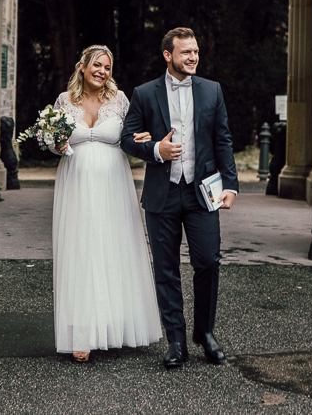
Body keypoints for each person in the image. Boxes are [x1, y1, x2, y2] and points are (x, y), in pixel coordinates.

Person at [120, 27, 239, 369]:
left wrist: (230, 185)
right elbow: (127, 138)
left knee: (208, 262)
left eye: (196, 52)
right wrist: (156, 148)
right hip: (163, 194)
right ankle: (175, 339)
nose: (193, 58)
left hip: (202, 193)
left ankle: (205, 332)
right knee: (166, 269)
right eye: (186, 52)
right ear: (168, 56)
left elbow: (223, 140)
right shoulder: (144, 93)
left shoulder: (212, 91)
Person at [48, 45, 162, 362]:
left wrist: (145, 139)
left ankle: (116, 327)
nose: (102, 71)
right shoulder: (63, 101)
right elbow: (56, 145)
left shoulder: (120, 100)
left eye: (108, 67)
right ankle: (82, 333)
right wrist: (56, 144)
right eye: (97, 65)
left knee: (114, 247)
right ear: (82, 67)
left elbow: (134, 136)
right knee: (81, 250)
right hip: (76, 184)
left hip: (114, 184)